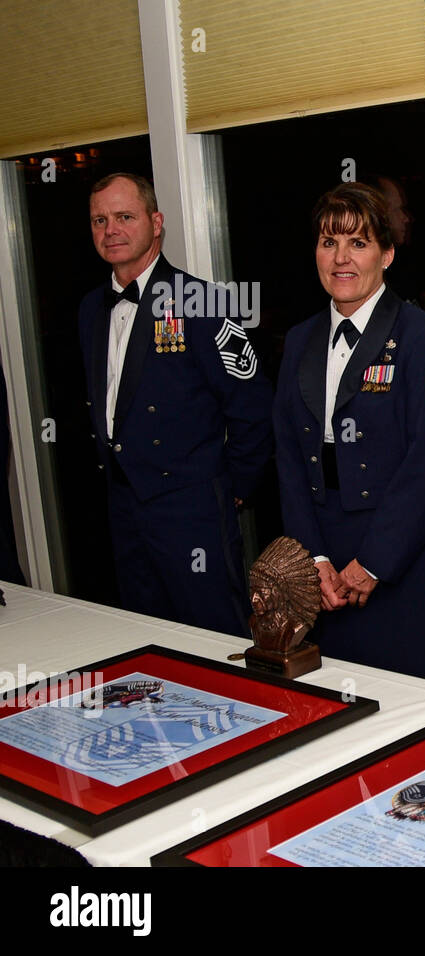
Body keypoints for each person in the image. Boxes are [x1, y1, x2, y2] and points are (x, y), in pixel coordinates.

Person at [273, 183, 425, 689]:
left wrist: (374, 563)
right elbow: (290, 459)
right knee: (340, 703)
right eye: (328, 242)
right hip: (326, 560)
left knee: (420, 705)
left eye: (358, 243)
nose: (341, 258)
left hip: (404, 555)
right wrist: (313, 559)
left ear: (386, 254)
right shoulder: (299, 340)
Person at [77, 173, 271, 635]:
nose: (111, 230)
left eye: (125, 216)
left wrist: (230, 488)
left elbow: (252, 406)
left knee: (212, 635)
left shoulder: (201, 301)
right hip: (123, 506)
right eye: (99, 220)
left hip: (192, 511)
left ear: (156, 222)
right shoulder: (89, 308)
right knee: (147, 638)